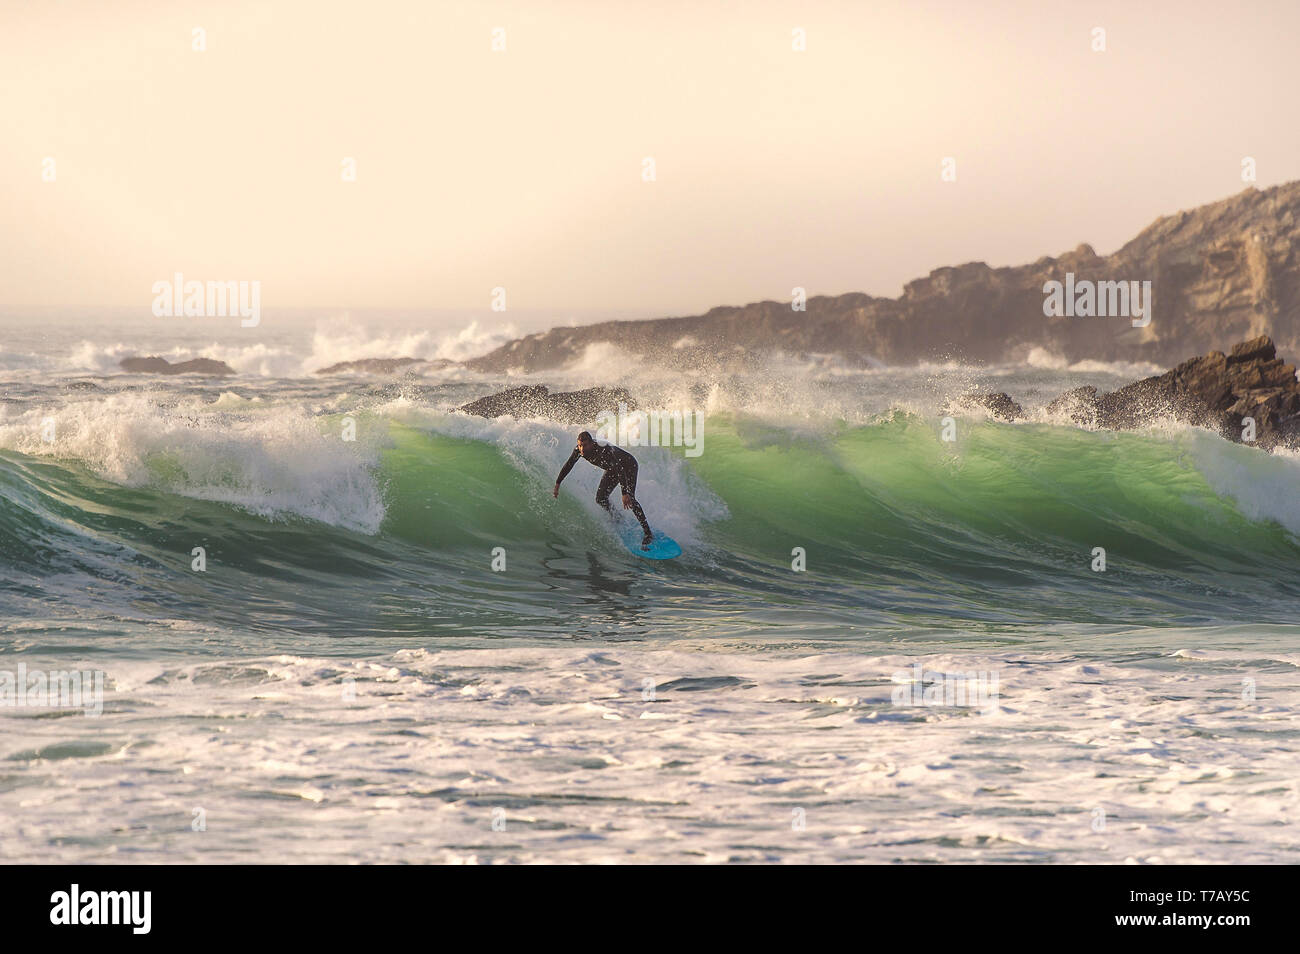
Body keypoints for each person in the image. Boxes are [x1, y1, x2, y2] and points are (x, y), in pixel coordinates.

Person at [553, 431, 654, 547]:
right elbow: (569, 465)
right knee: (600, 498)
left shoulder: (603, 450)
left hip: (628, 465)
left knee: (630, 498)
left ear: (591, 443)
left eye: (585, 445)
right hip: (613, 469)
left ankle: (648, 533)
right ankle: (617, 518)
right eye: (580, 445)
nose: (582, 449)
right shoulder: (579, 451)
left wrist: (624, 493)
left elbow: (620, 470)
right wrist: (557, 483)